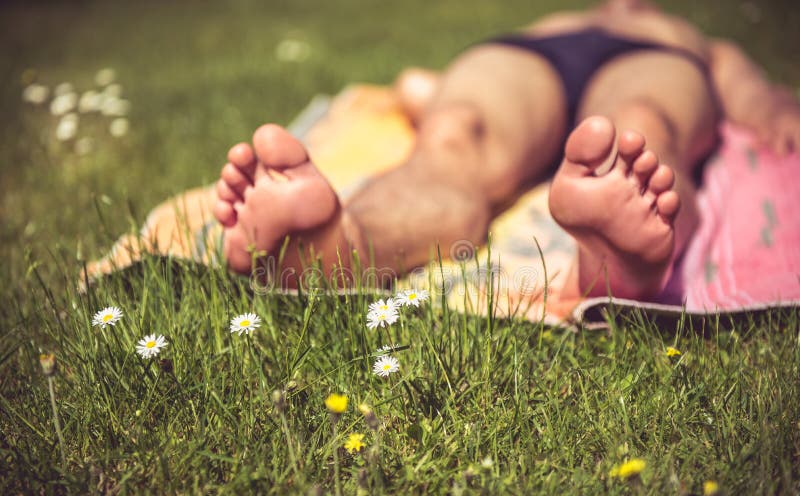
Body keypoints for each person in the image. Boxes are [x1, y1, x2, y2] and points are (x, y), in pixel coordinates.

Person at [211, 0, 800, 301]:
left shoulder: (688, 35)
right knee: (454, 133)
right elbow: (428, 88)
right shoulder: (556, 20)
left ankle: (621, 268)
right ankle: (341, 246)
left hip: (649, 64)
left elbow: (743, 84)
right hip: (533, 62)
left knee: (642, 132)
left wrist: (770, 108)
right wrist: (432, 96)